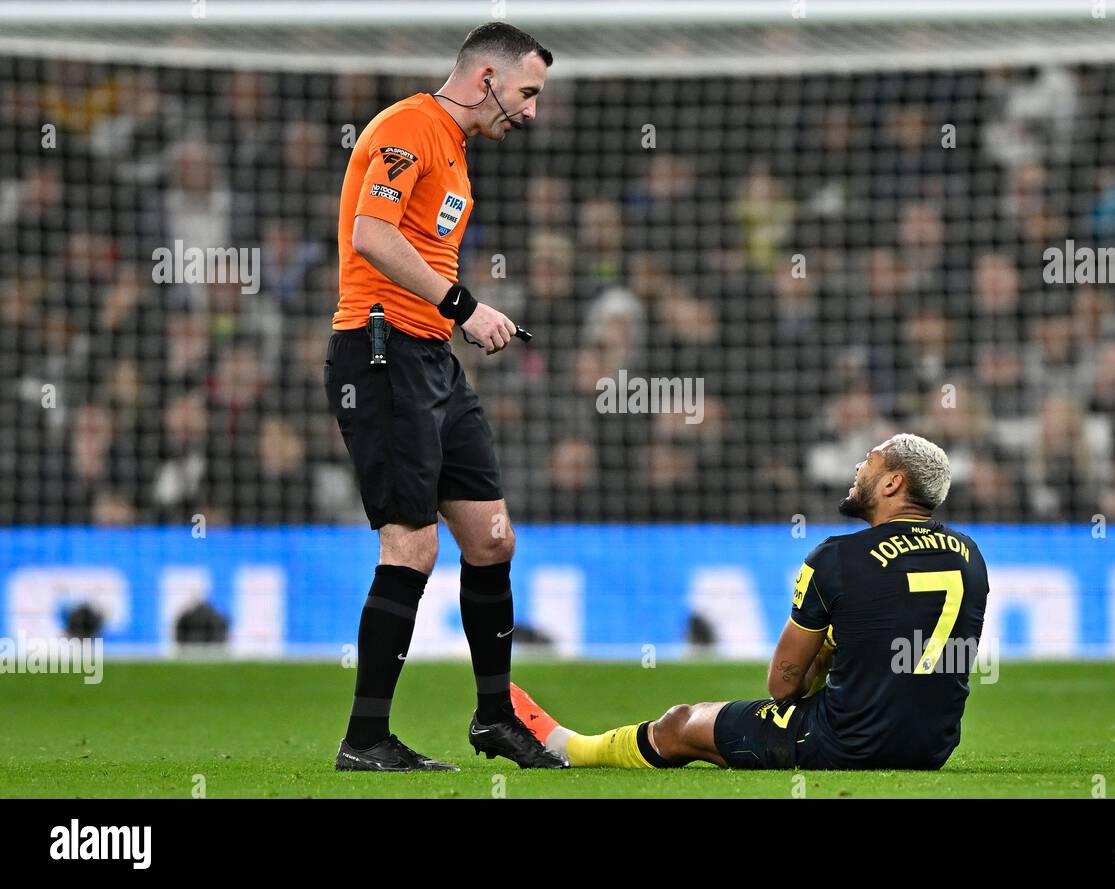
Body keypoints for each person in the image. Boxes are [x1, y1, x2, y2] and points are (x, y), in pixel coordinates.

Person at [326, 22, 564, 771]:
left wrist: (452, 314)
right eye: (526, 92)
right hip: (379, 350)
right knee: (413, 543)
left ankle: (495, 718)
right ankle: (365, 739)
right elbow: (371, 233)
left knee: (492, 539)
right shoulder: (408, 127)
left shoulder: (455, 152)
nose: (529, 112)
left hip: (428, 355)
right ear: (485, 76)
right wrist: (465, 305)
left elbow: (419, 255)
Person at [513, 433, 990, 770]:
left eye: (870, 459)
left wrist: (826, 653)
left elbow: (783, 687)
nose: (858, 468)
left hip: (843, 745)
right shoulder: (972, 556)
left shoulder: (835, 558)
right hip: (932, 748)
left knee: (680, 723)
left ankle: (570, 749)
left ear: (892, 484)